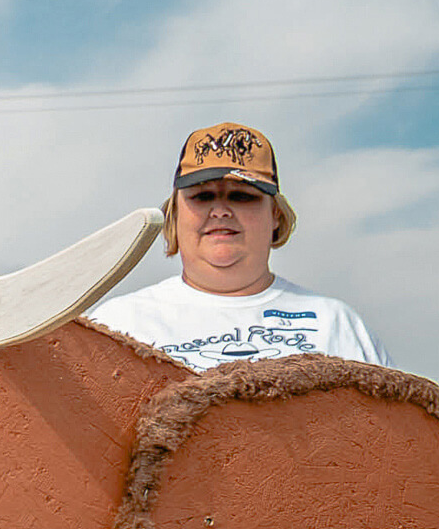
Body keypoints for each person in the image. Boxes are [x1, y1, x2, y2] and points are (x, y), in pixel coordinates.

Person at [89, 122, 387, 370]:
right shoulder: (117, 325)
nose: (220, 211)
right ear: (174, 215)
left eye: (242, 196)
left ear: (275, 215)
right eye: (202, 196)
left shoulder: (336, 324)